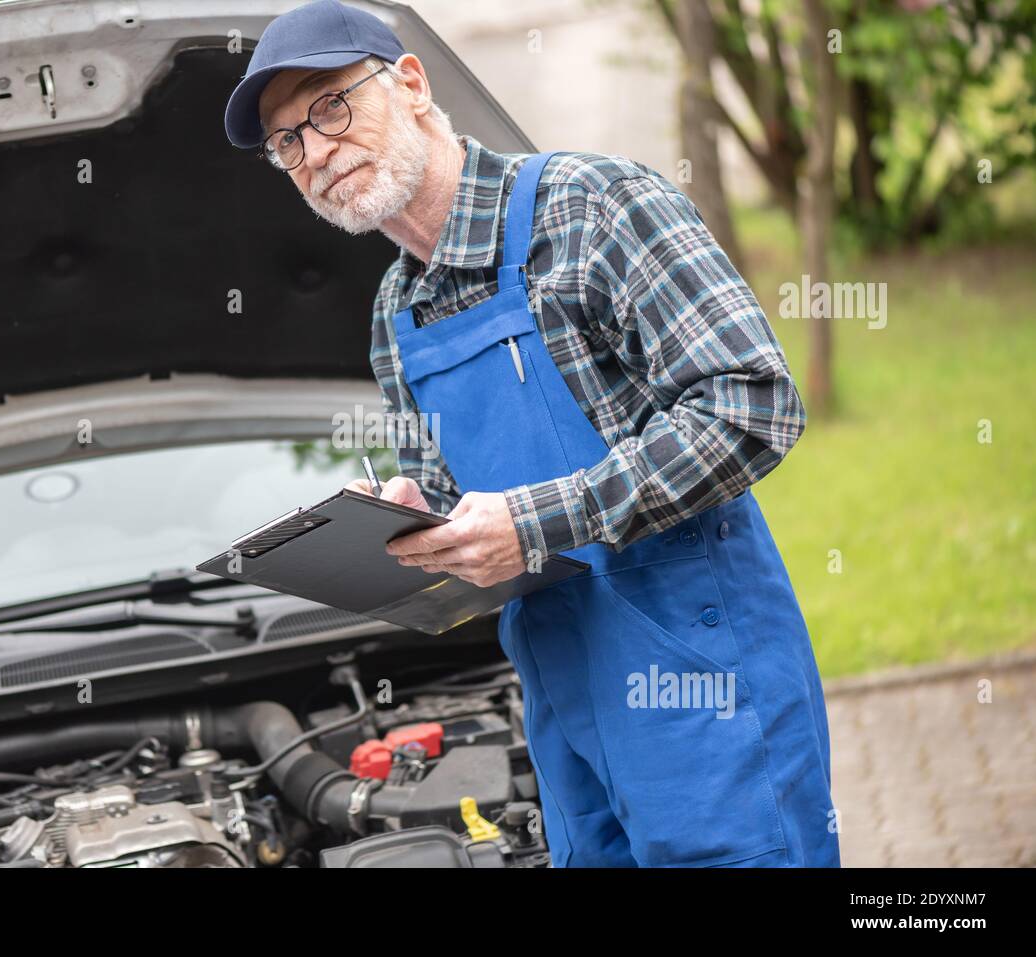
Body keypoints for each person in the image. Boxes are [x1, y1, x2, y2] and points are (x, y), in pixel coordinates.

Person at [224, 0, 840, 868]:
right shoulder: (396, 314)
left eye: (330, 105)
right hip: (564, 702)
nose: (315, 151)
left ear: (411, 83)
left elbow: (752, 404)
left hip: (702, 678)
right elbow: (465, 508)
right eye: (286, 141)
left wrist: (539, 520)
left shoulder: (591, 208)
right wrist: (409, 521)